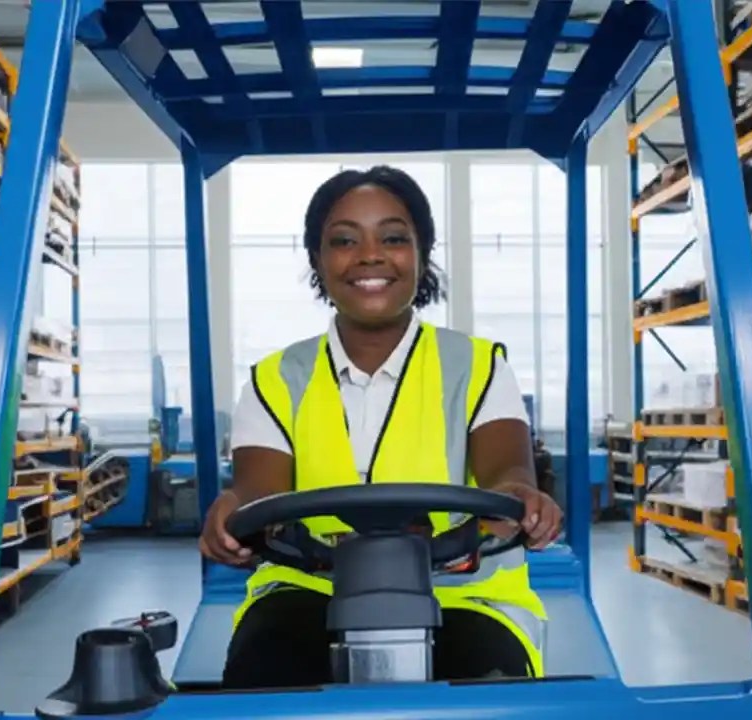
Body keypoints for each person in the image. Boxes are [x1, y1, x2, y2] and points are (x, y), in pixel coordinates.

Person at [200, 165, 563, 690]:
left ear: (421, 253)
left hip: (459, 593)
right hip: (309, 591)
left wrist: (519, 498)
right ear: (317, 262)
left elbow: (506, 471)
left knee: (489, 675)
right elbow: (259, 491)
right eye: (344, 240)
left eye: (393, 238)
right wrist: (235, 511)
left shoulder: (478, 366)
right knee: (263, 665)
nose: (370, 255)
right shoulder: (275, 379)